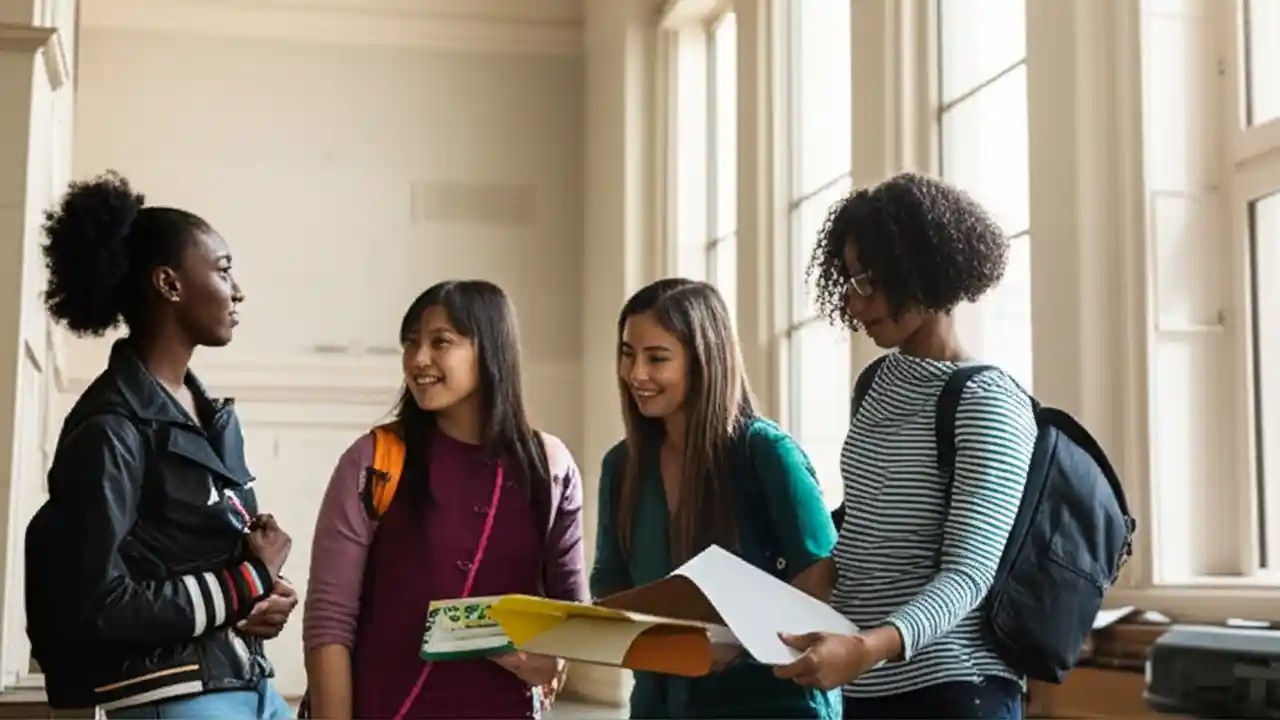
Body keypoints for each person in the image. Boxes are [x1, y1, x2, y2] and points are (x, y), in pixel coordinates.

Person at [24, 171, 297, 719]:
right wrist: (250, 578)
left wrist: (263, 598)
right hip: (171, 696)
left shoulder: (212, 417)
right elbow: (98, 605)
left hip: (248, 682)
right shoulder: (111, 427)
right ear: (170, 285)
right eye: (222, 271)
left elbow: (192, 563)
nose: (237, 289)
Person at [771, 172, 1036, 719]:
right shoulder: (874, 384)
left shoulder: (988, 400)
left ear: (920, 270)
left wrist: (867, 649)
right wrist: (824, 571)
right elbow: (876, 520)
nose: (853, 303)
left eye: (867, 281)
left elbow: (969, 576)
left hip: (954, 690)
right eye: (847, 280)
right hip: (868, 688)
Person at [302, 280, 586, 720]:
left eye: (441, 343)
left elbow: (573, 618)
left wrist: (553, 660)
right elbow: (329, 622)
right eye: (411, 343)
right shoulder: (374, 460)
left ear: (490, 350)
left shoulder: (549, 466)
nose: (418, 360)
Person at [592, 278, 842, 719]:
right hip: (659, 703)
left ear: (703, 361)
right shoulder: (622, 465)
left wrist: (738, 641)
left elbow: (820, 581)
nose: (636, 375)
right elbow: (611, 579)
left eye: (657, 358)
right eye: (628, 354)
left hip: (772, 704)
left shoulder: (765, 452)